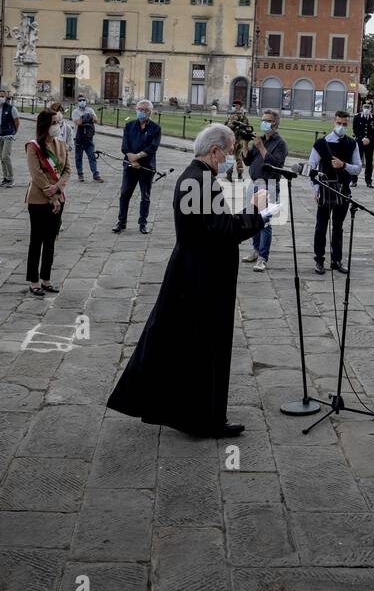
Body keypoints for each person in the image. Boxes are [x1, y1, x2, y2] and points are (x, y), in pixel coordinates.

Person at [107, 124, 279, 438]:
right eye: (229, 153)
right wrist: (257, 213)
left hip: (192, 270)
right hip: (202, 276)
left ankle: (190, 413)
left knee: (184, 344)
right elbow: (223, 231)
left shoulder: (195, 177)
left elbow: (215, 225)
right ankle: (203, 419)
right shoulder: (201, 182)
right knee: (203, 347)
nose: (231, 159)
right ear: (214, 151)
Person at [24, 110, 71, 297]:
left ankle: (46, 279)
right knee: (37, 240)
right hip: (39, 199)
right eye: (54, 122)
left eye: (58, 122)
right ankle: (34, 281)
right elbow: (36, 174)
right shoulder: (33, 147)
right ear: (45, 125)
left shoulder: (62, 144)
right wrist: (51, 195)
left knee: (51, 241)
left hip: (58, 197)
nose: (57, 126)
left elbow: (67, 170)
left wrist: (58, 188)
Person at [309, 110, 362, 273]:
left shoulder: (352, 144)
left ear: (348, 124)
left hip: (343, 190)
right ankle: (319, 259)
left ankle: (336, 260)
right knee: (321, 226)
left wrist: (343, 165)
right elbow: (311, 168)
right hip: (325, 189)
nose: (341, 126)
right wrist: (316, 190)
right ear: (334, 122)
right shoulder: (321, 143)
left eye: (345, 124)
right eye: (339, 123)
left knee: (338, 227)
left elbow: (358, 168)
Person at [241, 108, 288, 272]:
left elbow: (277, 166)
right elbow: (247, 161)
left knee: (265, 223)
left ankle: (262, 257)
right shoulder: (260, 139)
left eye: (267, 120)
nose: (264, 123)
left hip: (269, 186)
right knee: (253, 220)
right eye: (263, 120)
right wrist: (246, 143)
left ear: (275, 123)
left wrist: (261, 148)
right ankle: (255, 250)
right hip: (254, 184)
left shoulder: (280, 143)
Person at [113, 99, 162, 234]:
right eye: (139, 109)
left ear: (150, 112)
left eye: (144, 110)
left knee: (145, 196)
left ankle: (143, 223)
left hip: (146, 166)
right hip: (130, 164)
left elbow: (153, 147)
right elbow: (125, 145)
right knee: (124, 194)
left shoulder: (155, 128)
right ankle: (121, 222)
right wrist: (131, 157)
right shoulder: (129, 126)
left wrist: (138, 156)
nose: (141, 112)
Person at [71, 94, 103, 182]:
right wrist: (88, 117)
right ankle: (80, 174)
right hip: (78, 138)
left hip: (89, 137)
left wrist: (85, 118)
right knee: (78, 157)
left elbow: (95, 120)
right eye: (80, 100)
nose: (82, 102)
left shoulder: (90, 109)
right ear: (77, 102)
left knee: (91, 156)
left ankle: (96, 174)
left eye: (83, 100)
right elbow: (79, 122)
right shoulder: (75, 112)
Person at [0, 90, 19, 187]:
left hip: (8, 135)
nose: (0, 98)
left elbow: (17, 122)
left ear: (5, 97)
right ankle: (5, 178)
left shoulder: (11, 108)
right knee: (1, 158)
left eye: (2, 96)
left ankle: (11, 178)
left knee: (5, 156)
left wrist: (13, 132)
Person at [354, 99, 374, 187]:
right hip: (360, 143)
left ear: (371, 108)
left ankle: (368, 181)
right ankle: (354, 180)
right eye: (365, 107)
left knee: (369, 163)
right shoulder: (357, 117)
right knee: (357, 161)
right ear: (362, 107)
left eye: (368, 107)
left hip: (370, 143)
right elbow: (355, 130)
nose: (366, 109)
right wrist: (362, 139)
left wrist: (368, 139)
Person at [224, 98, 251, 180]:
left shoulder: (233, 116)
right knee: (239, 158)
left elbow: (227, 126)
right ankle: (240, 175)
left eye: (235, 105)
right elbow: (248, 128)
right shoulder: (244, 116)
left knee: (230, 157)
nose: (234, 107)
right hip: (240, 140)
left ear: (239, 106)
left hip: (233, 140)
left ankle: (229, 175)